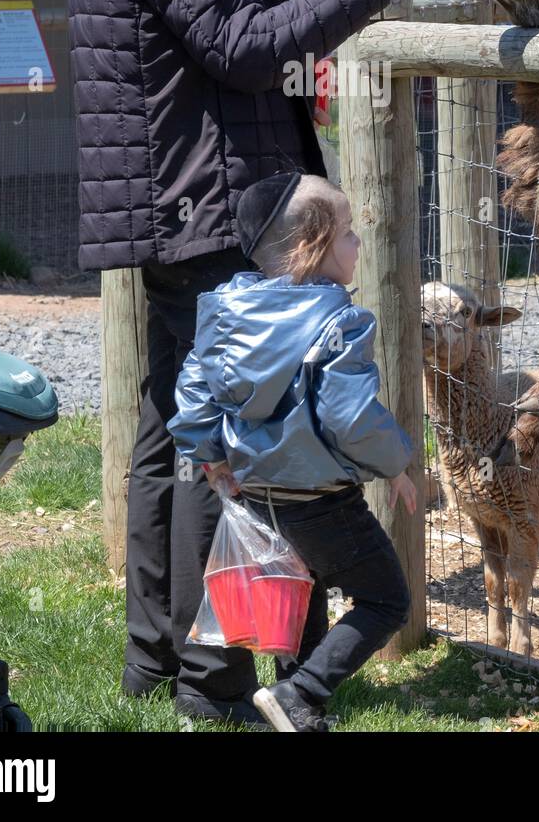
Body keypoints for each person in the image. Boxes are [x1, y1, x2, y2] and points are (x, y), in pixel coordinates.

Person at [66, 0, 413, 724]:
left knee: (168, 438)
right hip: (212, 212)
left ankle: (158, 666)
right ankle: (213, 687)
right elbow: (243, 46)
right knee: (224, 456)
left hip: (171, 202)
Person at [168, 170, 416, 733]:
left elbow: (192, 395)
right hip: (324, 501)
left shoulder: (226, 314)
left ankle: (293, 706)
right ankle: (301, 690)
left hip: (257, 493)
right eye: (349, 232)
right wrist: (395, 462)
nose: (358, 243)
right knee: (385, 600)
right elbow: (349, 416)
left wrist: (212, 459)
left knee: (301, 589)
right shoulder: (340, 320)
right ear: (316, 246)